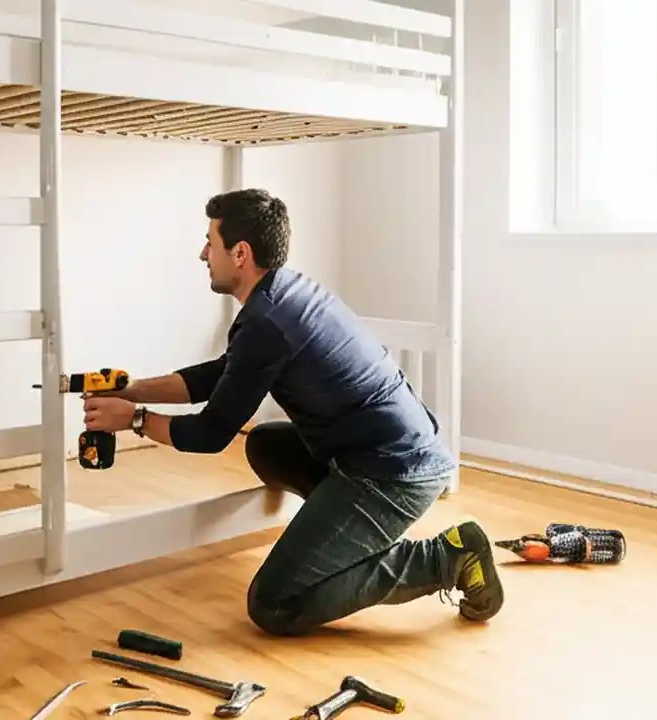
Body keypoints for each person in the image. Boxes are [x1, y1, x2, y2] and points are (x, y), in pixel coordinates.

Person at [81, 188, 503, 635]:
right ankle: (341, 533)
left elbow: (210, 434)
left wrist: (135, 420)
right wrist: (133, 389)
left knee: (274, 604)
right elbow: (224, 373)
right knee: (266, 444)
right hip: (384, 450)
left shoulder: (266, 323)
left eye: (210, 242)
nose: (203, 254)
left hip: (392, 473)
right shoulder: (285, 293)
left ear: (240, 253)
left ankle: (447, 558)